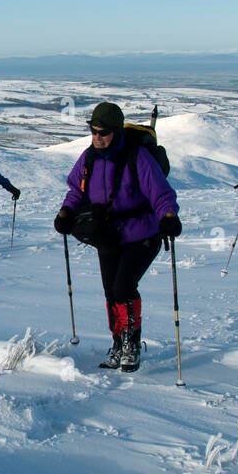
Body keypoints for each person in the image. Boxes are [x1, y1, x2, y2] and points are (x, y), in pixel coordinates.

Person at [53, 102, 181, 371]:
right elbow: (77, 189)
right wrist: (66, 211)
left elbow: (160, 193)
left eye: (104, 133)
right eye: (93, 131)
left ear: (117, 132)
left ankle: (131, 344)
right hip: (108, 235)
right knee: (111, 293)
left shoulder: (137, 157)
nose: (97, 137)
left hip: (142, 232)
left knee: (123, 288)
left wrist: (168, 216)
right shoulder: (89, 157)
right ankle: (117, 342)